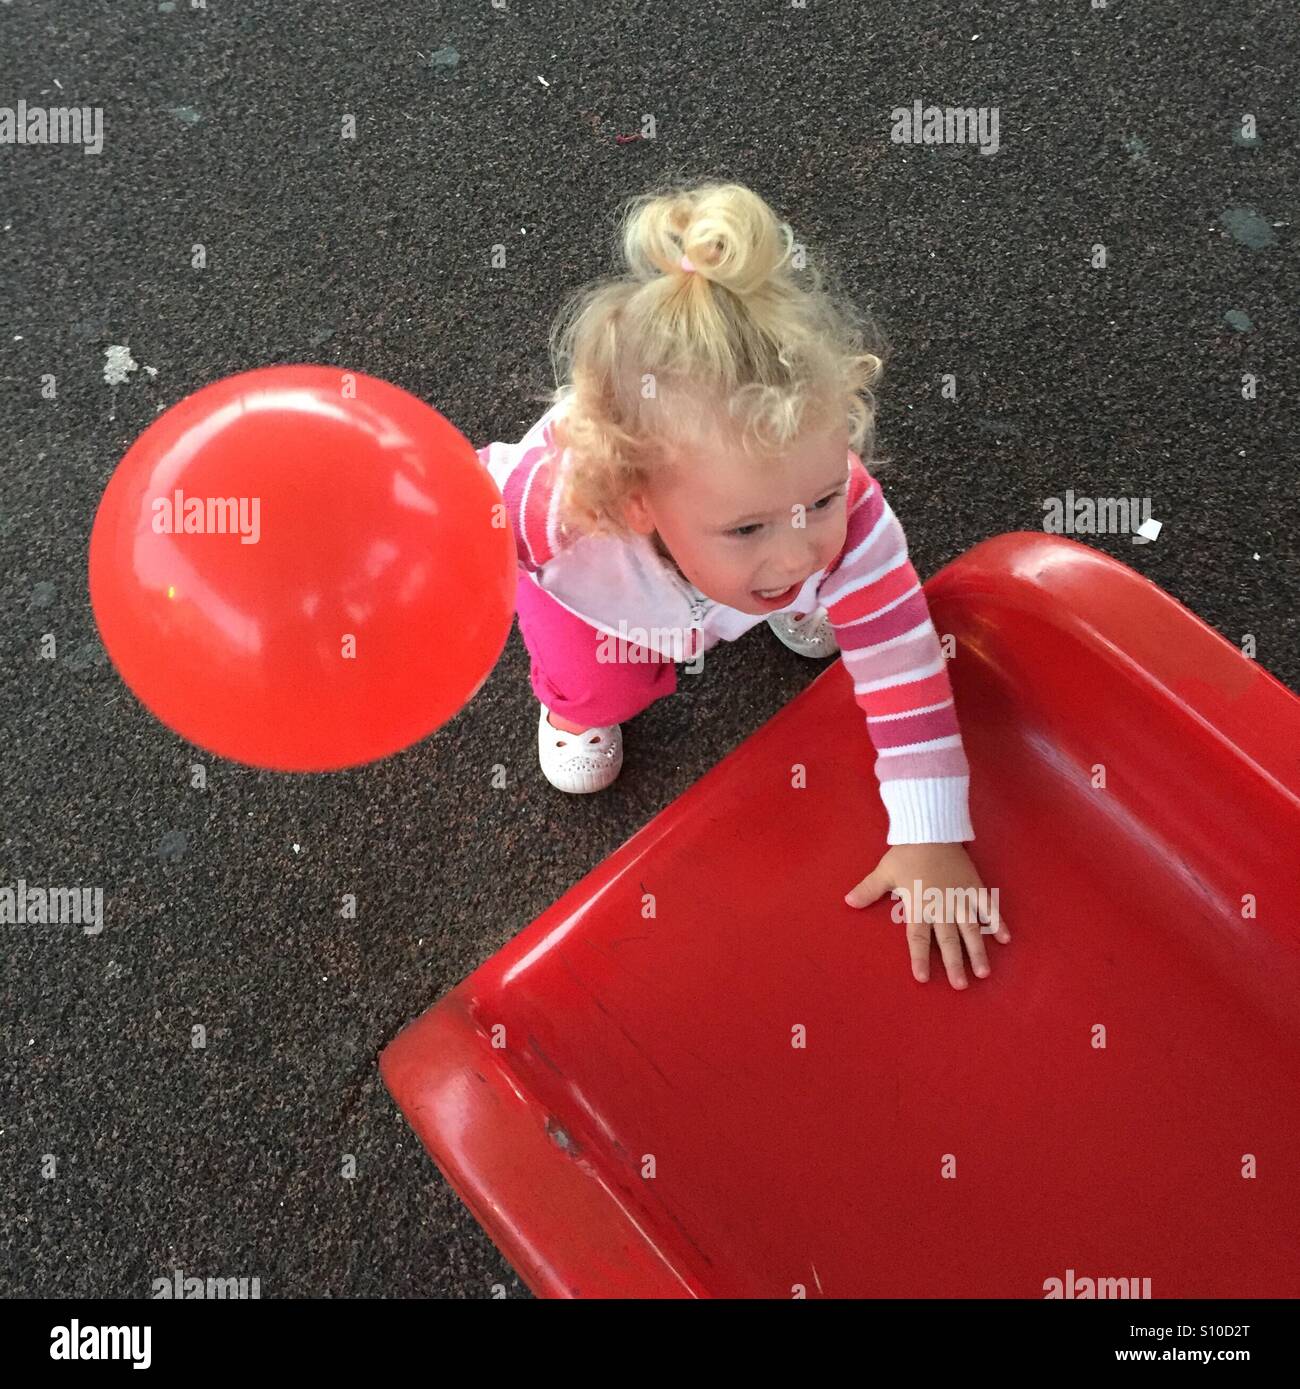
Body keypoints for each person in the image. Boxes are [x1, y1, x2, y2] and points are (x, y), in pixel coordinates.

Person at [476, 178, 1011, 987]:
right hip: (594, 603)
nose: (801, 550)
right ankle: (575, 707)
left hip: (708, 583)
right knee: (597, 684)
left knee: (827, 594)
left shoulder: (843, 520)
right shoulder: (555, 517)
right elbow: (452, 497)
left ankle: (749, 596)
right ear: (638, 502)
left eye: (821, 497)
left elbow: (903, 663)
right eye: (753, 524)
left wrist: (930, 833)